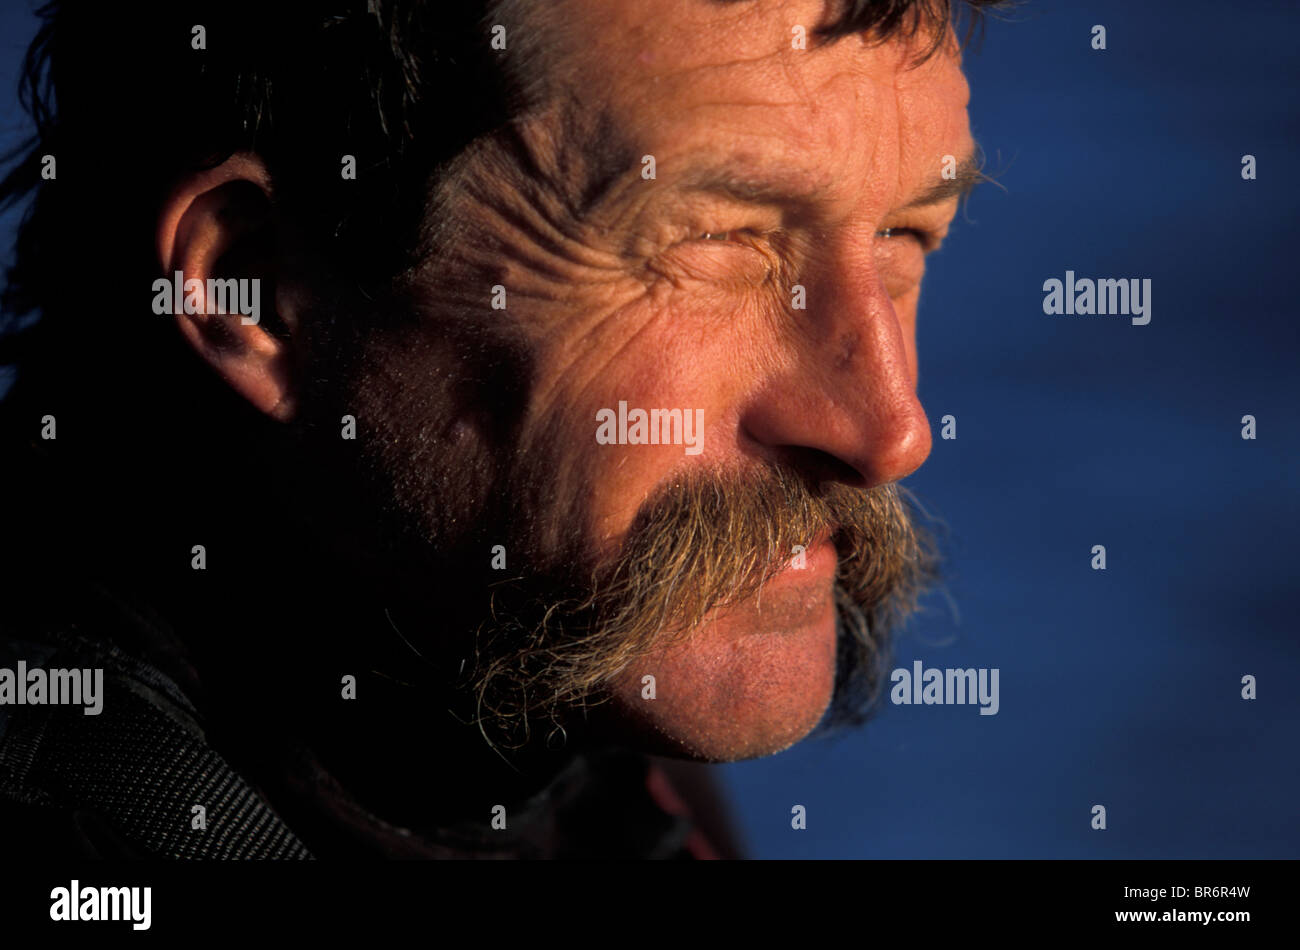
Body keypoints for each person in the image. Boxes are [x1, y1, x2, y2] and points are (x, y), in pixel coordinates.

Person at [0, 0, 998, 859]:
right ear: (257, 295)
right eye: (720, 242)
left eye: (903, 233)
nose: (887, 431)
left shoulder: (578, 716)